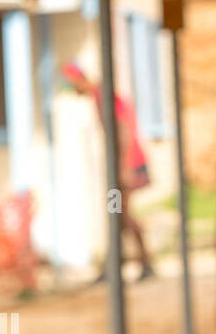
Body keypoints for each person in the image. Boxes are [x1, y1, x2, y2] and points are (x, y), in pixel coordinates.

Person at [60, 61, 155, 283]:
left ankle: (141, 263)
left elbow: (123, 132)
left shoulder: (104, 97)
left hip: (129, 162)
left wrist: (123, 168)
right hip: (127, 161)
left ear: (77, 81)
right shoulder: (99, 95)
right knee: (119, 215)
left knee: (122, 214)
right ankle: (117, 266)